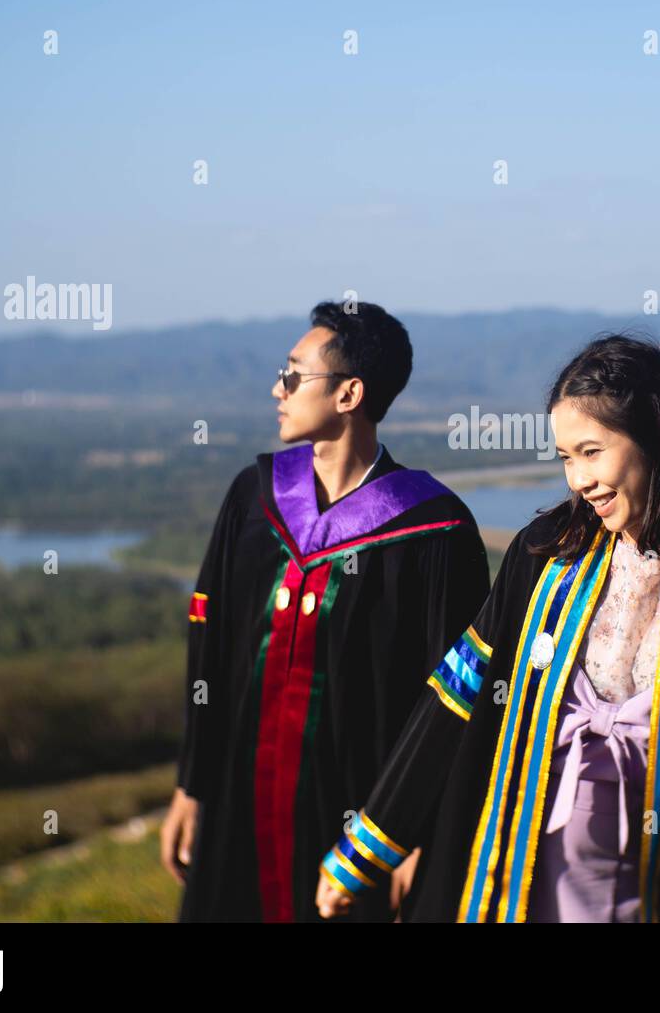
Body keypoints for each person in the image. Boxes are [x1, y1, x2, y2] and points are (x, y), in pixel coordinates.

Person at [316, 333, 660, 922]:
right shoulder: (543, 555)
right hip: (512, 876)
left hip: (650, 890)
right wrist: (364, 852)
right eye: (566, 457)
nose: (578, 480)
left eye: (591, 452)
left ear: (656, 439)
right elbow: (455, 701)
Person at [161, 300, 490, 922]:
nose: (276, 390)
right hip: (238, 800)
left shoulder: (433, 531)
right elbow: (210, 644)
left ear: (349, 393)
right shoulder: (253, 497)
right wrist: (192, 783)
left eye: (293, 375)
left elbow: (455, 701)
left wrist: (416, 833)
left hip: (358, 820)